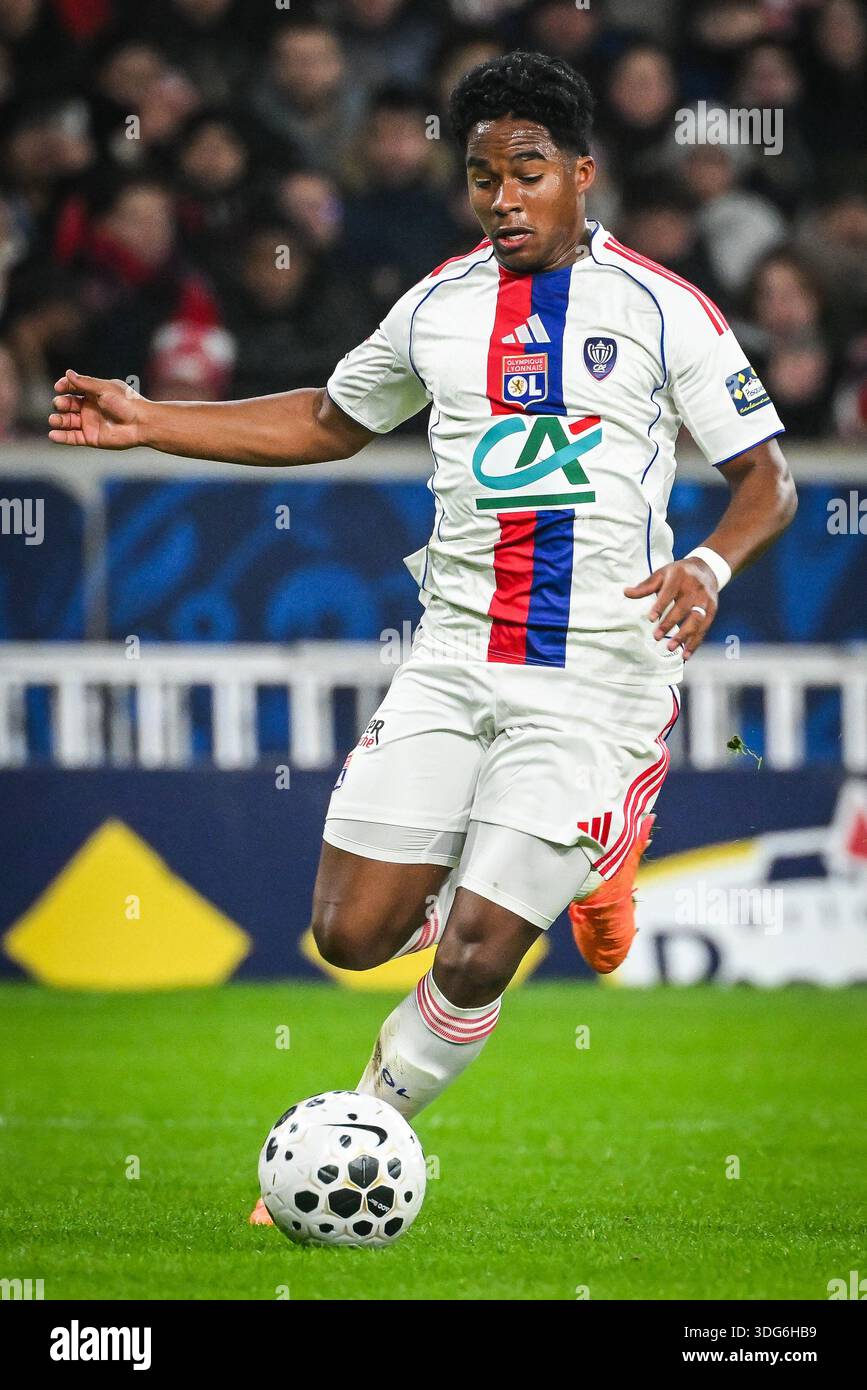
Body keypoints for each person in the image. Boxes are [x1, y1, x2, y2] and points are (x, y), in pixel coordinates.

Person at [46, 52, 797, 1224]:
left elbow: (770, 480)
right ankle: (584, 856)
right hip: (454, 653)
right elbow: (326, 420)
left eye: (529, 173)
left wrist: (706, 563)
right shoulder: (440, 304)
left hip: (596, 677)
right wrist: (151, 418)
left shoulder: (661, 307)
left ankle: (361, 1131)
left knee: (476, 949)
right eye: (483, 175)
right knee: (350, 935)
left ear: (583, 175)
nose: (503, 197)